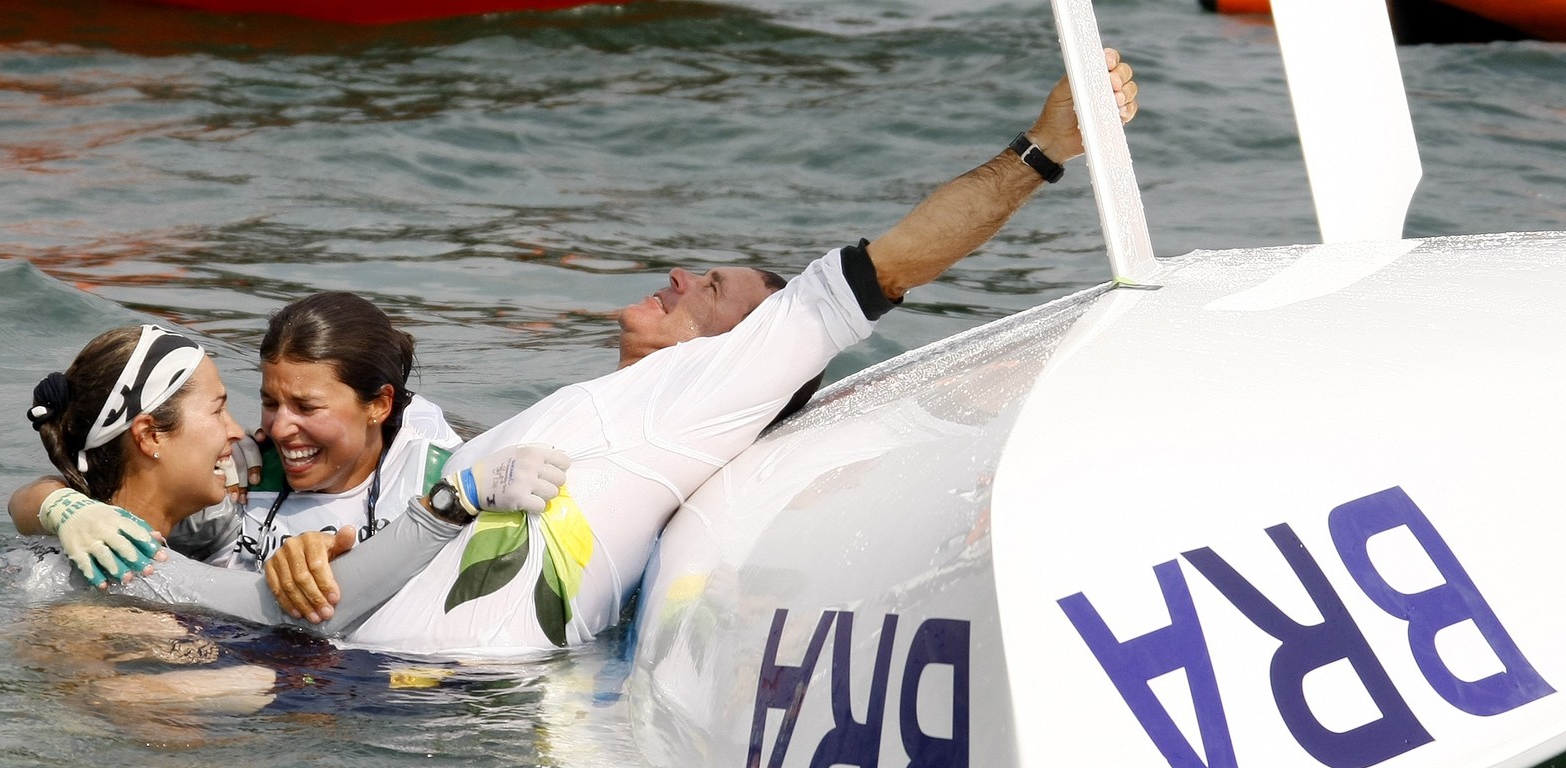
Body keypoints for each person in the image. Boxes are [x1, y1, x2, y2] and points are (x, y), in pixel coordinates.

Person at [262, 50, 1141, 657]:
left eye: (712, 289)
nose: (680, 275)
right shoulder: (583, 417)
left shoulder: (701, 392)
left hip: (425, 708)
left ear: (743, 350)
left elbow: (893, 264)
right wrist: (314, 554)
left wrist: (1042, 150)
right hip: (354, 669)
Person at [11, 322, 565, 634]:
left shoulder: (88, 532)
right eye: (219, 409)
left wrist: (51, 503)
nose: (242, 431)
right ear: (151, 435)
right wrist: (452, 502)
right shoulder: (121, 564)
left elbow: (33, 500)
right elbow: (298, 613)